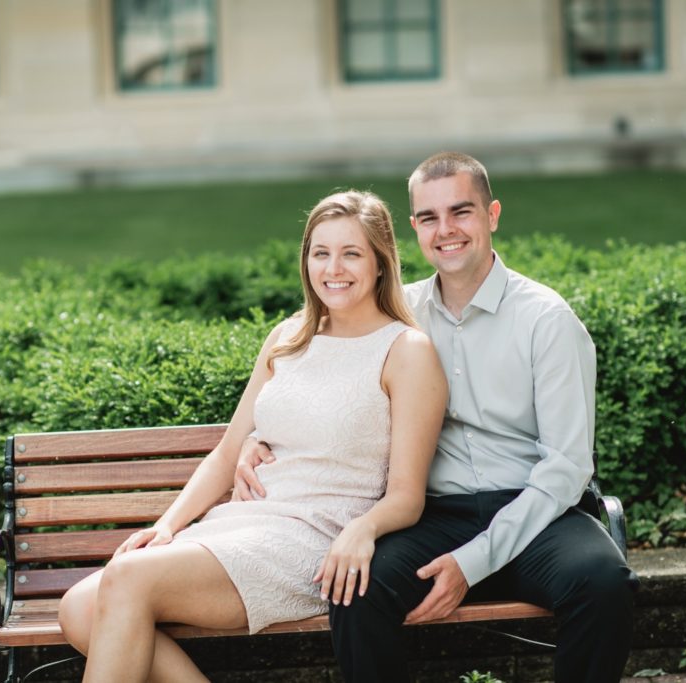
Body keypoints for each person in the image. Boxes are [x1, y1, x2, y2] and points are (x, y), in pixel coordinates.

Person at [234, 152, 639, 683]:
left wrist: (472, 563)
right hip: (431, 516)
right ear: (413, 230)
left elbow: (565, 470)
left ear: (492, 215)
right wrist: (255, 437)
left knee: (603, 582)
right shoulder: (396, 316)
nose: (445, 230)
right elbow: (311, 362)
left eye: (461, 212)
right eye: (429, 218)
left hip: (538, 514)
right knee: (356, 588)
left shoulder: (547, 321)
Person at [57, 190, 447, 682]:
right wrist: (168, 525)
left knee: (128, 580)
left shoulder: (406, 350)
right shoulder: (288, 336)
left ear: (380, 263)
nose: (334, 268)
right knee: (78, 609)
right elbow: (226, 452)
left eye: (352, 253)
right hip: (244, 522)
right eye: (320, 252)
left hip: (317, 540)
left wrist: (361, 530)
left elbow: (407, 497)